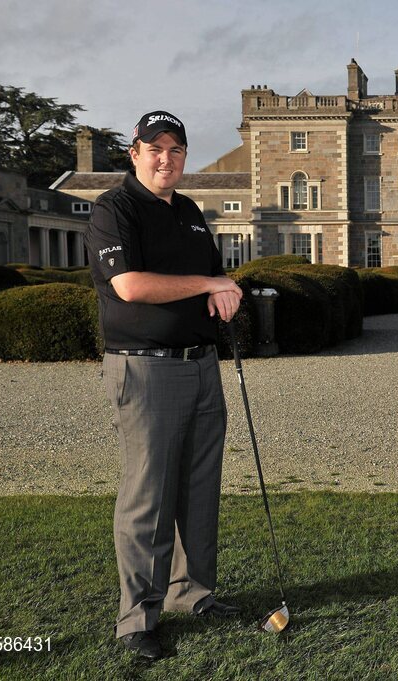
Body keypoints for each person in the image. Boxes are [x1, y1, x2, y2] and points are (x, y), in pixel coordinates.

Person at [86, 111, 244, 660]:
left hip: (201, 365)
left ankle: (191, 594)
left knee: (199, 491)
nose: (165, 159)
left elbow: (211, 283)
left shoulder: (191, 213)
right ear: (134, 153)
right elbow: (129, 286)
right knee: (149, 497)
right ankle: (137, 620)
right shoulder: (115, 209)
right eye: (155, 148)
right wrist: (210, 283)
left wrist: (220, 293)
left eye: (175, 149)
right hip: (146, 368)